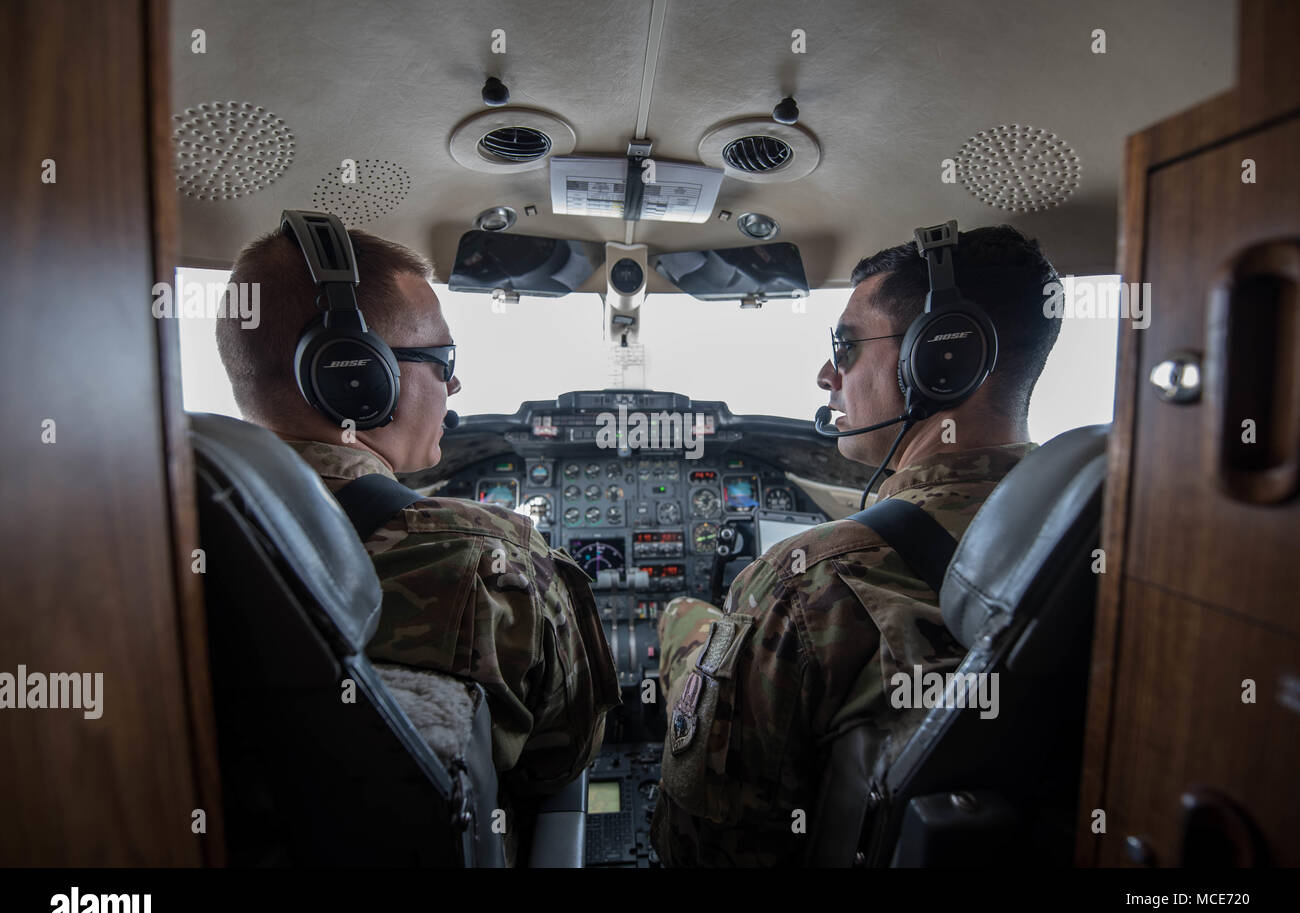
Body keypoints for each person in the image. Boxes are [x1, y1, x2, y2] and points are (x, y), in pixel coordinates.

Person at [651, 225, 1061, 866]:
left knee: (685, 618)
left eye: (844, 347)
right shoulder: (1113, 540)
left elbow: (699, 847)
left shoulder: (808, 581)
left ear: (941, 356)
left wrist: (692, 648)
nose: (825, 375)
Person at [215, 225, 621, 808]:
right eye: (441, 359)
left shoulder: (150, 533)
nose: (453, 382)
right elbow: (561, 760)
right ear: (355, 375)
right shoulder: (487, 553)